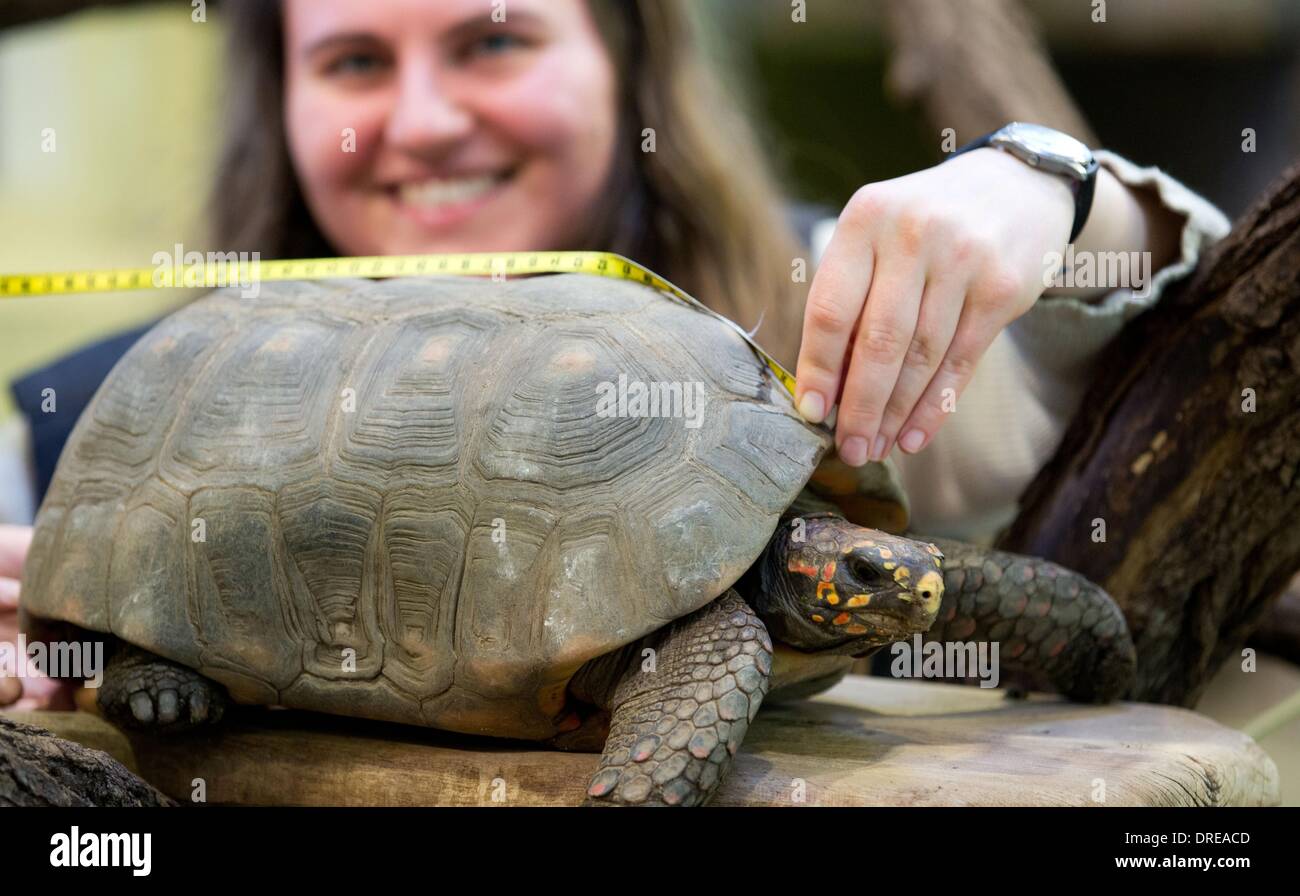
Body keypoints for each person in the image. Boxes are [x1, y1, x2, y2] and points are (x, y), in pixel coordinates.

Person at [0, 0, 1228, 710]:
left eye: (492, 42)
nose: (425, 122)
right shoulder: (106, 402)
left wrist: (1050, 193)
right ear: (279, 107)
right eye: (355, 61)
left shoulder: (832, 332)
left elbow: (1210, 360)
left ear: (627, 64)